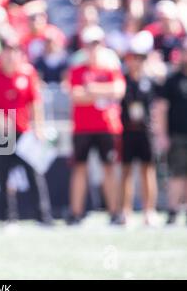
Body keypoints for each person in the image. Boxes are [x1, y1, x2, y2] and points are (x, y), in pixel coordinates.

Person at [0, 38, 53, 225]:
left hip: (24, 132)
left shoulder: (28, 73)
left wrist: (39, 127)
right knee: (2, 175)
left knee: (34, 173)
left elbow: (35, 102)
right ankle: (8, 217)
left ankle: (43, 216)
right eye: (7, 51)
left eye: (14, 51)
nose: (10, 55)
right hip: (2, 134)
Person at [66, 25, 125, 225]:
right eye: (90, 44)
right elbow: (76, 96)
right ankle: (75, 213)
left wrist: (92, 90)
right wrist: (102, 92)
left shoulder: (110, 68)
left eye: (97, 43)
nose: (93, 47)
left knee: (109, 168)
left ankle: (114, 212)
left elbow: (119, 90)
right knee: (80, 169)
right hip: (83, 127)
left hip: (107, 126)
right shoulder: (77, 70)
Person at [119, 31, 159, 226]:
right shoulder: (122, 80)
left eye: (140, 58)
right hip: (127, 130)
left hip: (145, 130)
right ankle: (125, 211)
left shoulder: (149, 80)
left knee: (147, 171)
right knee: (126, 171)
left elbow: (157, 106)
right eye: (133, 57)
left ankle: (148, 211)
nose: (136, 61)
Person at [153, 38, 187, 225]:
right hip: (178, 135)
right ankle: (173, 211)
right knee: (176, 174)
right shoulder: (172, 80)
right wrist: (162, 134)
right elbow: (161, 109)